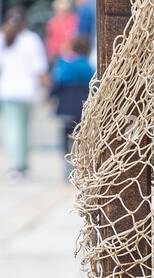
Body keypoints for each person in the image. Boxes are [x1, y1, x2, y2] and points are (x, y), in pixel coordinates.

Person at [0, 9, 48, 180]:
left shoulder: (3, 38)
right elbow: (40, 68)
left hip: (8, 90)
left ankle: (17, 164)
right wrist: (47, 89)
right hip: (27, 91)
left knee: (13, 129)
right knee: (24, 129)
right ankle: (20, 164)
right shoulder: (31, 40)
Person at [50, 32, 92, 173]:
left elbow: (57, 83)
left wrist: (50, 97)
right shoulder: (88, 67)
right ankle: (78, 162)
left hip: (66, 107)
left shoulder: (64, 65)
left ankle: (66, 164)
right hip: (82, 107)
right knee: (80, 135)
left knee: (65, 134)